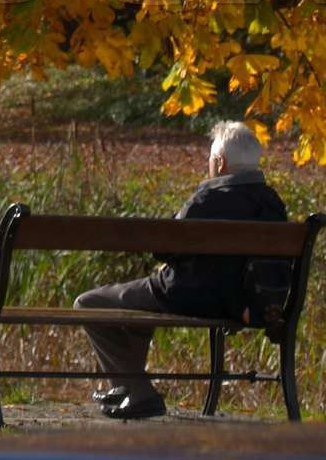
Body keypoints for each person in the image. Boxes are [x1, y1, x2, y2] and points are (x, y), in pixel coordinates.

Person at [72, 120, 287, 420]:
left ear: (220, 162)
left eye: (211, 160)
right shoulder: (273, 204)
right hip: (244, 304)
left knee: (88, 303)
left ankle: (137, 391)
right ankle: (133, 394)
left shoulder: (208, 199)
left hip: (188, 296)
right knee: (136, 316)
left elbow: (164, 248)